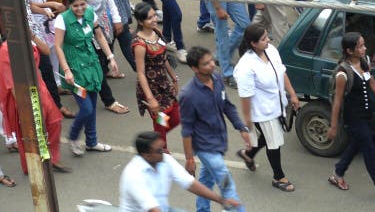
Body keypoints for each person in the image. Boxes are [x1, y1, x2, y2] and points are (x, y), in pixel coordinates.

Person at [0, 0, 70, 174]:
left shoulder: (28, 40)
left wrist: (32, 36)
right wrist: (25, 106)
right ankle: (30, 166)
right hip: (23, 95)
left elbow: (46, 51)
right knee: (29, 132)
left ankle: (52, 158)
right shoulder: (6, 50)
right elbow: (11, 84)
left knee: (54, 121)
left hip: (39, 87)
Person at [179, 46, 249, 212]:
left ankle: (202, 209)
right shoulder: (188, 95)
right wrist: (189, 159)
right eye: (206, 63)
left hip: (219, 141)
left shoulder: (217, 79)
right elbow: (186, 130)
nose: (212, 65)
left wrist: (241, 127)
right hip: (204, 146)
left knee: (206, 181)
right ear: (195, 68)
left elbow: (228, 106)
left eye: (211, 60)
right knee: (226, 182)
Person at [326, 32, 375, 199]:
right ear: (350, 51)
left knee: (356, 144)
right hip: (354, 117)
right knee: (369, 151)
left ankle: (338, 173)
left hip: (366, 113)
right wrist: (333, 127)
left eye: (364, 45)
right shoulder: (343, 73)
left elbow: (371, 82)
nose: (365, 48)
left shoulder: (365, 61)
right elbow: (337, 102)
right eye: (361, 46)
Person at [65, 0, 130, 115]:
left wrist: (116, 18)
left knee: (100, 58)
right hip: (85, 23)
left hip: (102, 19)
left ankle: (85, 86)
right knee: (97, 61)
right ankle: (108, 100)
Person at [233, 25, 300, 191]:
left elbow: (282, 72)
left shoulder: (271, 50)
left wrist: (292, 94)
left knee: (269, 136)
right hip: (263, 112)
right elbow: (245, 97)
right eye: (264, 39)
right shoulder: (245, 66)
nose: (268, 40)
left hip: (277, 104)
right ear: (253, 43)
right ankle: (278, 177)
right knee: (274, 143)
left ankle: (247, 154)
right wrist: (248, 123)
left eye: (267, 36)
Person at [54, 0, 118, 156]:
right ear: (69, 5)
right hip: (74, 68)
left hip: (91, 63)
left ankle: (91, 141)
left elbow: (99, 36)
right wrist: (67, 70)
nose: (80, 8)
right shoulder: (62, 19)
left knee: (92, 104)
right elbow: (58, 47)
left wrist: (111, 57)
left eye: (83, 4)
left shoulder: (90, 13)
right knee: (87, 108)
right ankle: (73, 136)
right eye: (75, 6)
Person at [119, 131, 241, 212]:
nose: (164, 152)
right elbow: (153, 209)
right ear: (146, 155)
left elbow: (191, 184)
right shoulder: (134, 175)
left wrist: (221, 200)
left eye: (162, 147)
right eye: (159, 150)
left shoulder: (164, 160)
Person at [132, 3, 180, 149]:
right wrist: (150, 99)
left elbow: (164, 59)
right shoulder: (139, 44)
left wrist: (174, 78)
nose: (154, 19)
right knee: (161, 122)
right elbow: (140, 72)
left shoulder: (157, 33)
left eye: (154, 16)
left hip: (164, 83)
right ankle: (161, 151)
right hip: (151, 88)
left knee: (176, 117)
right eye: (149, 18)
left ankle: (153, 144)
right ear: (140, 22)